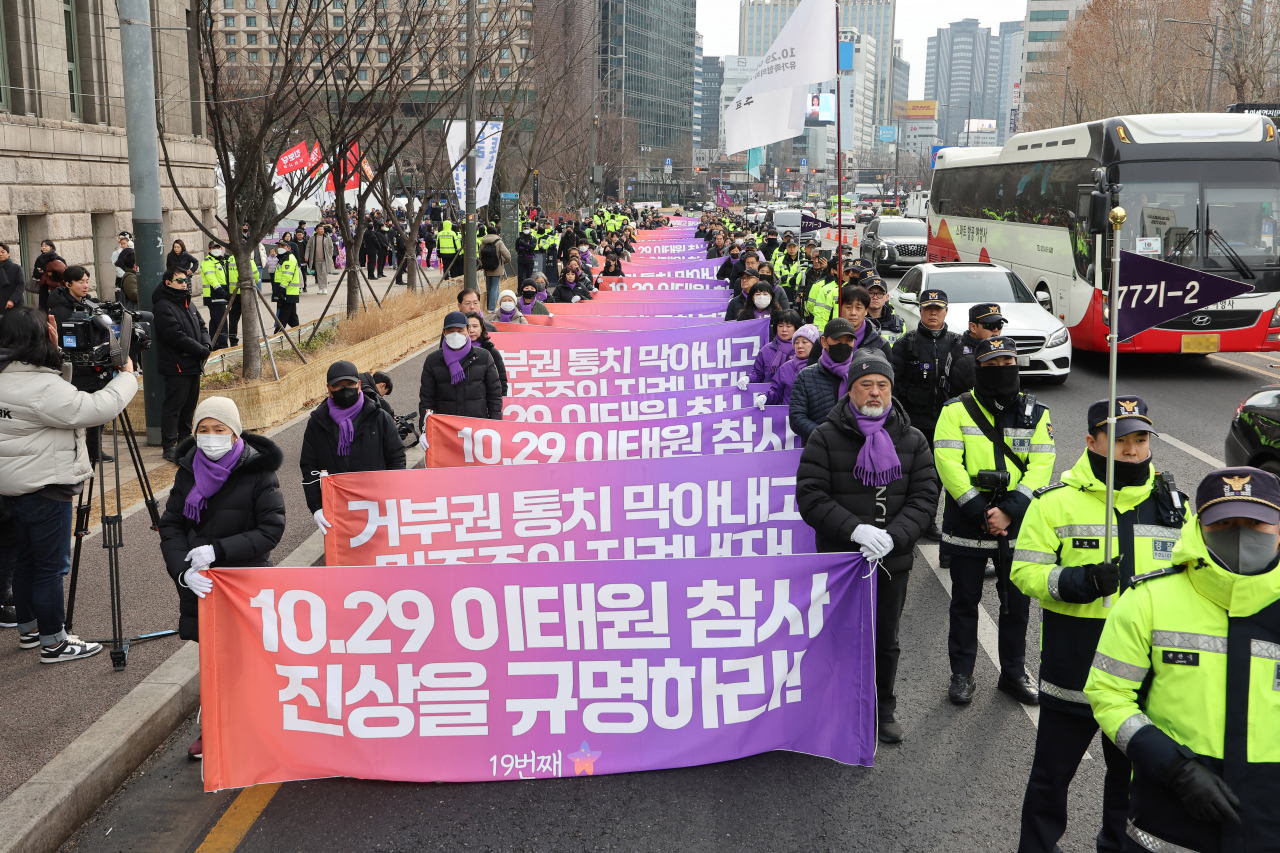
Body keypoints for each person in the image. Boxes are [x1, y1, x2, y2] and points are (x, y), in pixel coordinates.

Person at [1010, 396, 1186, 853]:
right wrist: (1078, 581)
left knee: (1128, 791)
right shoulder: (1054, 504)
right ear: (1091, 441)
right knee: (1050, 782)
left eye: (1140, 439)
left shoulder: (1176, 508)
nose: (1132, 449)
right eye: (1120, 438)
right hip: (1075, 672)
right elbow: (1024, 572)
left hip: (1142, 682)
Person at [1085, 465, 1280, 853]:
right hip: (1167, 820)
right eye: (1224, 524)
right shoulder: (1149, 599)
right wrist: (1176, 767)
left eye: (1256, 524)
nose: (1241, 534)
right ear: (1197, 527)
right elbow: (1108, 693)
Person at [796, 349, 938, 744]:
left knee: (884, 637)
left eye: (882, 385)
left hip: (892, 561)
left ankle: (883, 706)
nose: (875, 392)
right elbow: (811, 496)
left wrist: (895, 535)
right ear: (851, 390)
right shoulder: (825, 436)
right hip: (841, 559)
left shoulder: (912, 439)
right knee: (836, 635)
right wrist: (855, 531)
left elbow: (925, 497)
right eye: (866, 385)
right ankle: (835, 705)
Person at [0, 307, 137, 662]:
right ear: (37, 338)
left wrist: (57, 357)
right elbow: (93, 408)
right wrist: (126, 376)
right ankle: (55, 643)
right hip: (46, 486)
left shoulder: (9, 378)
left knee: (28, 561)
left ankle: (31, 631)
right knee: (51, 568)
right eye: (49, 329)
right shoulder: (41, 387)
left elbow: (55, 396)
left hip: (14, 488)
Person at [160, 396, 284, 758]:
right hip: (202, 588)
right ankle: (214, 730)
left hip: (245, 584)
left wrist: (219, 550)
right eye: (203, 430)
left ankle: (257, 727)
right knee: (214, 662)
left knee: (249, 661)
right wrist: (183, 572)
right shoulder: (187, 471)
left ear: (234, 433)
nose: (211, 437)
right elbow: (171, 527)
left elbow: (271, 530)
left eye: (219, 430)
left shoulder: (259, 471)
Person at [934, 336, 1054, 707]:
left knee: (1016, 605)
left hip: (1017, 525)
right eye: (993, 364)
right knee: (965, 602)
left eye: (1008, 363)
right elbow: (947, 463)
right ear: (979, 369)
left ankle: (1014, 672)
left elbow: (1042, 465)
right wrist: (980, 510)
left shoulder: (1038, 413)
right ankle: (962, 674)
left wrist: (1011, 509)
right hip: (969, 522)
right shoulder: (955, 411)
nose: (1002, 370)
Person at [890, 289, 971, 541]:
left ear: (946, 311)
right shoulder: (906, 343)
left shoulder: (958, 344)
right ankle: (902, 519)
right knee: (909, 474)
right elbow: (893, 382)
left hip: (947, 423)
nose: (933, 313)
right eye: (927, 308)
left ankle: (928, 521)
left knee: (939, 477)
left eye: (938, 308)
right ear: (920, 311)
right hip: (913, 422)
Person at [302, 361, 405, 537]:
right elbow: (309, 465)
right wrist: (316, 506)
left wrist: (394, 496)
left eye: (349, 384)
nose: (344, 389)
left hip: (376, 504)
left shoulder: (379, 417)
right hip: (337, 508)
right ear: (329, 389)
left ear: (359, 385)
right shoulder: (317, 423)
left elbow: (396, 459)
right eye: (338, 386)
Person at [48, 265, 115, 463]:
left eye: (87, 281)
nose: (85, 285)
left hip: (95, 365)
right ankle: (80, 451)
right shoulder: (59, 312)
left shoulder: (91, 305)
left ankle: (95, 449)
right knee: (80, 413)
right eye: (80, 282)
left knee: (97, 411)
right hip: (74, 369)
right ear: (68, 284)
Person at [153, 268, 212, 462]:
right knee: (174, 406)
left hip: (193, 362)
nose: (184, 283)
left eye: (185, 280)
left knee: (189, 405)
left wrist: (206, 344)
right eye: (179, 281)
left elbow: (202, 326)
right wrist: (200, 350)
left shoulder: (188, 302)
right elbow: (174, 336)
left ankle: (185, 440)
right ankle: (169, 445)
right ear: (168, 283)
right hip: (176, 365)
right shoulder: (163, 305)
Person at [790, 318, 867, 443]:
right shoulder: (806, 376)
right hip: (818, 448)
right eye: (837, 340)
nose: (843, 345)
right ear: (824, 342)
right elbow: (796, 418)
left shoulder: (862, 374)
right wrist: (825, 436)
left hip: (856, 447)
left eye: (848, 340)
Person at [418, 311, 502, 426]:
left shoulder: (483, 357)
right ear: (444, 333)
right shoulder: (433, 360)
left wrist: (496, 424)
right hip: (446, 426)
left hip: (477, 424)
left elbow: (494, 394)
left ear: (467, 331)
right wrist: (425, 427)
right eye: (451, 331)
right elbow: (427, 399)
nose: (455, 335)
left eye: (460, 331)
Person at [762, 323, 819, 406]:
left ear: (814, 345)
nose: (799, 346)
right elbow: (776, 393)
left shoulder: (822, 367)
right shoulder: (785, 368)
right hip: (787, 416)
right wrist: (765, 397)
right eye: (796, 342)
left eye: (804, 342)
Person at [747, 309, 801, 384]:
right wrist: (748, 378)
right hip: (769, 393)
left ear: (796, 328)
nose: (784, 330)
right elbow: (758, 374)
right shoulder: (766, 350)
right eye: (780, 326)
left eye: (788, 326)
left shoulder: (801, 349)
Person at [465, 312, 509, 395]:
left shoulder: (491, 352)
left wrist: (502, 398)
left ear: (481, 328)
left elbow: (501, 379)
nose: (471, 330)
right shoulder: (456, 352)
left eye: (475, 326)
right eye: (467, 327)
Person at [200, 241, 232, 349]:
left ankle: (213, 344)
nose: (217, 249)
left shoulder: (220, 261)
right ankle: (222, 346)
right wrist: (222, 293)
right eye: (214, 248)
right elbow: (212, 279)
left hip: (219, 297)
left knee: (215, 321)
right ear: (209, 250)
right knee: (222, 322)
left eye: (218, 247)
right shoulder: (208, 262)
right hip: (214, 296)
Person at [865, 278, 905, 346]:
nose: (875, 297)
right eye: (871, 293)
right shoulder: (857, 321)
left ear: (886, 297)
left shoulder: (898, 325)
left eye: (880, 293)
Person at [480, 227, 512, 311]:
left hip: (487, 267)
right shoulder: (499, 242)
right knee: (495, 287)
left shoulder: (483, 242)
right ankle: (492, 308)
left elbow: (480, 254)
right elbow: (507, 255)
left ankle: (488, 307)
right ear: (496, 233)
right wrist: (505, 262)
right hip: (497, 267)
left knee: (489, 287)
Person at [273, 238, 302, 331]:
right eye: (279, 246)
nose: (280, 248)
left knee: (281, 320)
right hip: (288, 293)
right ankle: (300, 336)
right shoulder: (283, 258)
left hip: (287, 293)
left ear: (288, 248)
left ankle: (277, 338)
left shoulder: (288, 259)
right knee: (292, 320)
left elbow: (287, 276)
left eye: (283, 246)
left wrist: (281, 289)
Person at [306, 224, 334, 295]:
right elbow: (308, 247)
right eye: (320, 229)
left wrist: (329, 255)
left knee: (324, 273)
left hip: (325, 259)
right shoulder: (312, 238)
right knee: (318, 274)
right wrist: (307, 256)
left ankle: (325, 288)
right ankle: (320, 288)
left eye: (322, 229)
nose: (322, 230)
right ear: (316, 230)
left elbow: (331, 247)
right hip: (316, 259)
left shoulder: (327, 237)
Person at [0, 242, 23, 316]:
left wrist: (12, 300)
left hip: (13, 305)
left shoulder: (16, 268)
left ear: (8, 253)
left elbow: (21, 285)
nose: (0, 254)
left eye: (2, 252)